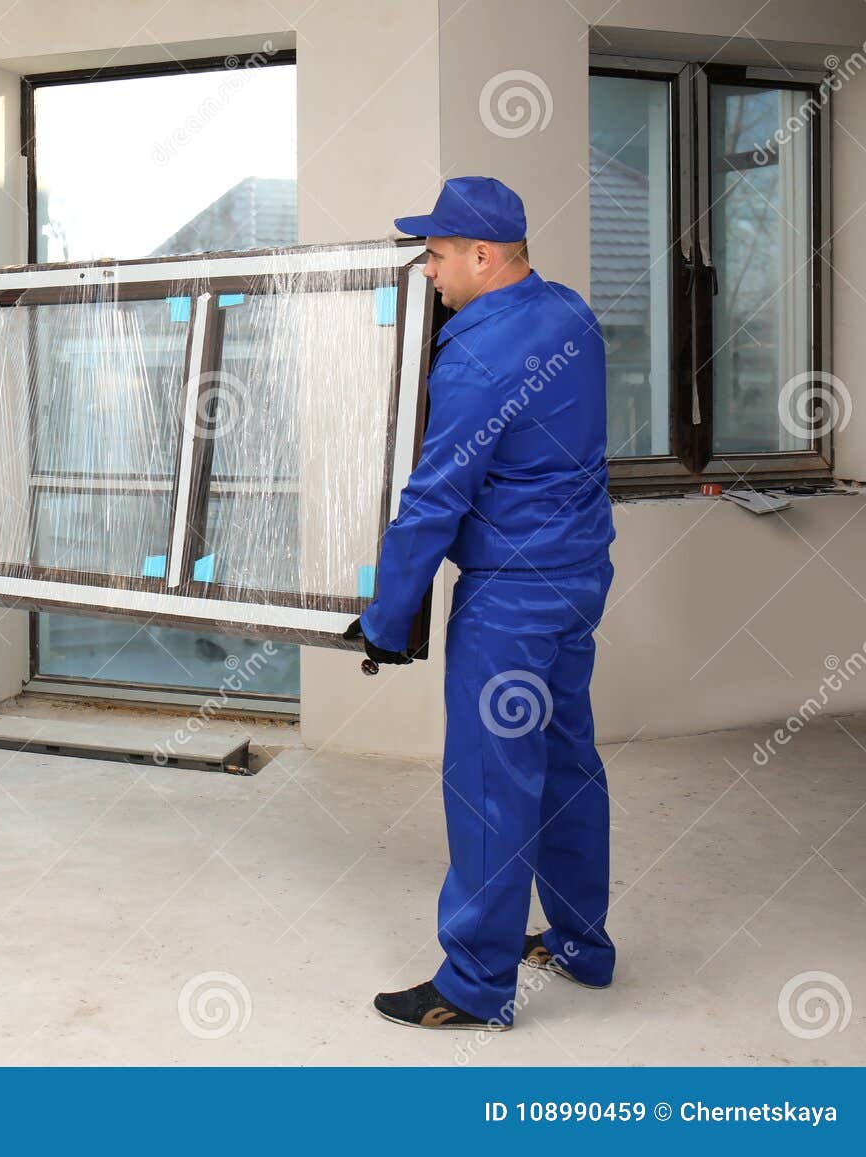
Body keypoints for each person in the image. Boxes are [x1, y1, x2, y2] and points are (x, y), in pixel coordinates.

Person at [342, 177, 617, 1031]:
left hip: (511, 600)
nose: (427, 271)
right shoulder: (571, 314)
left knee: (493, 782)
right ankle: (581, 943)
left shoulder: (478, 355)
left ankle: (474, 983)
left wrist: (387, 618)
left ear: (483, 256)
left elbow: (435, 497)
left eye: (435, 255)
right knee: (566, 762)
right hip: (578, 578)